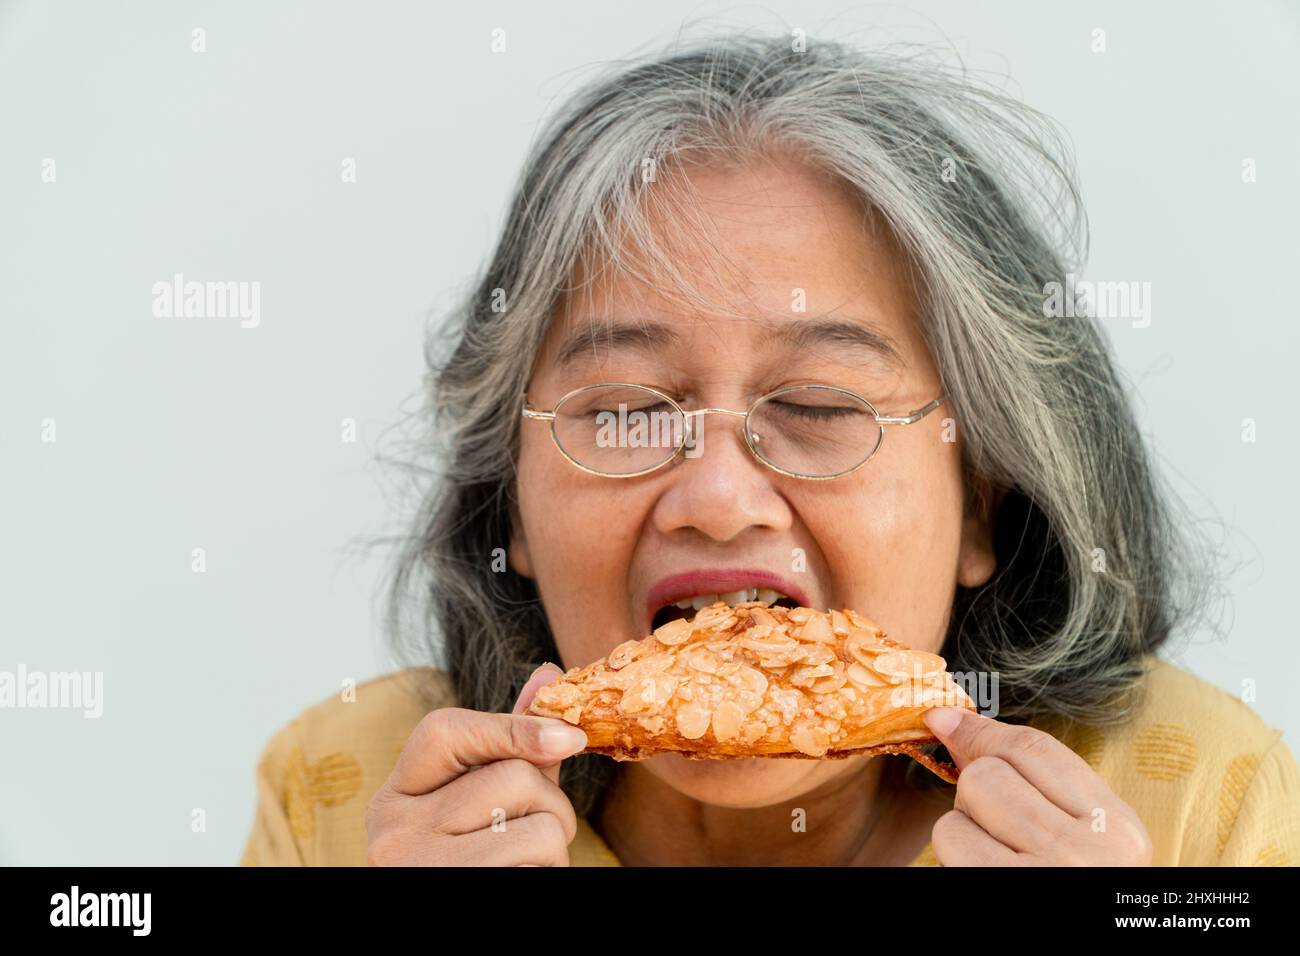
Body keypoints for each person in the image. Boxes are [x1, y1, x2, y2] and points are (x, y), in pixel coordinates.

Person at [241, 33, 1300, 866]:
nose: (716, 496)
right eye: (624, 410)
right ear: (509, 500)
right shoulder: (351, 793)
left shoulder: (1193, 800)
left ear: (981, 498)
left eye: (818, 404)